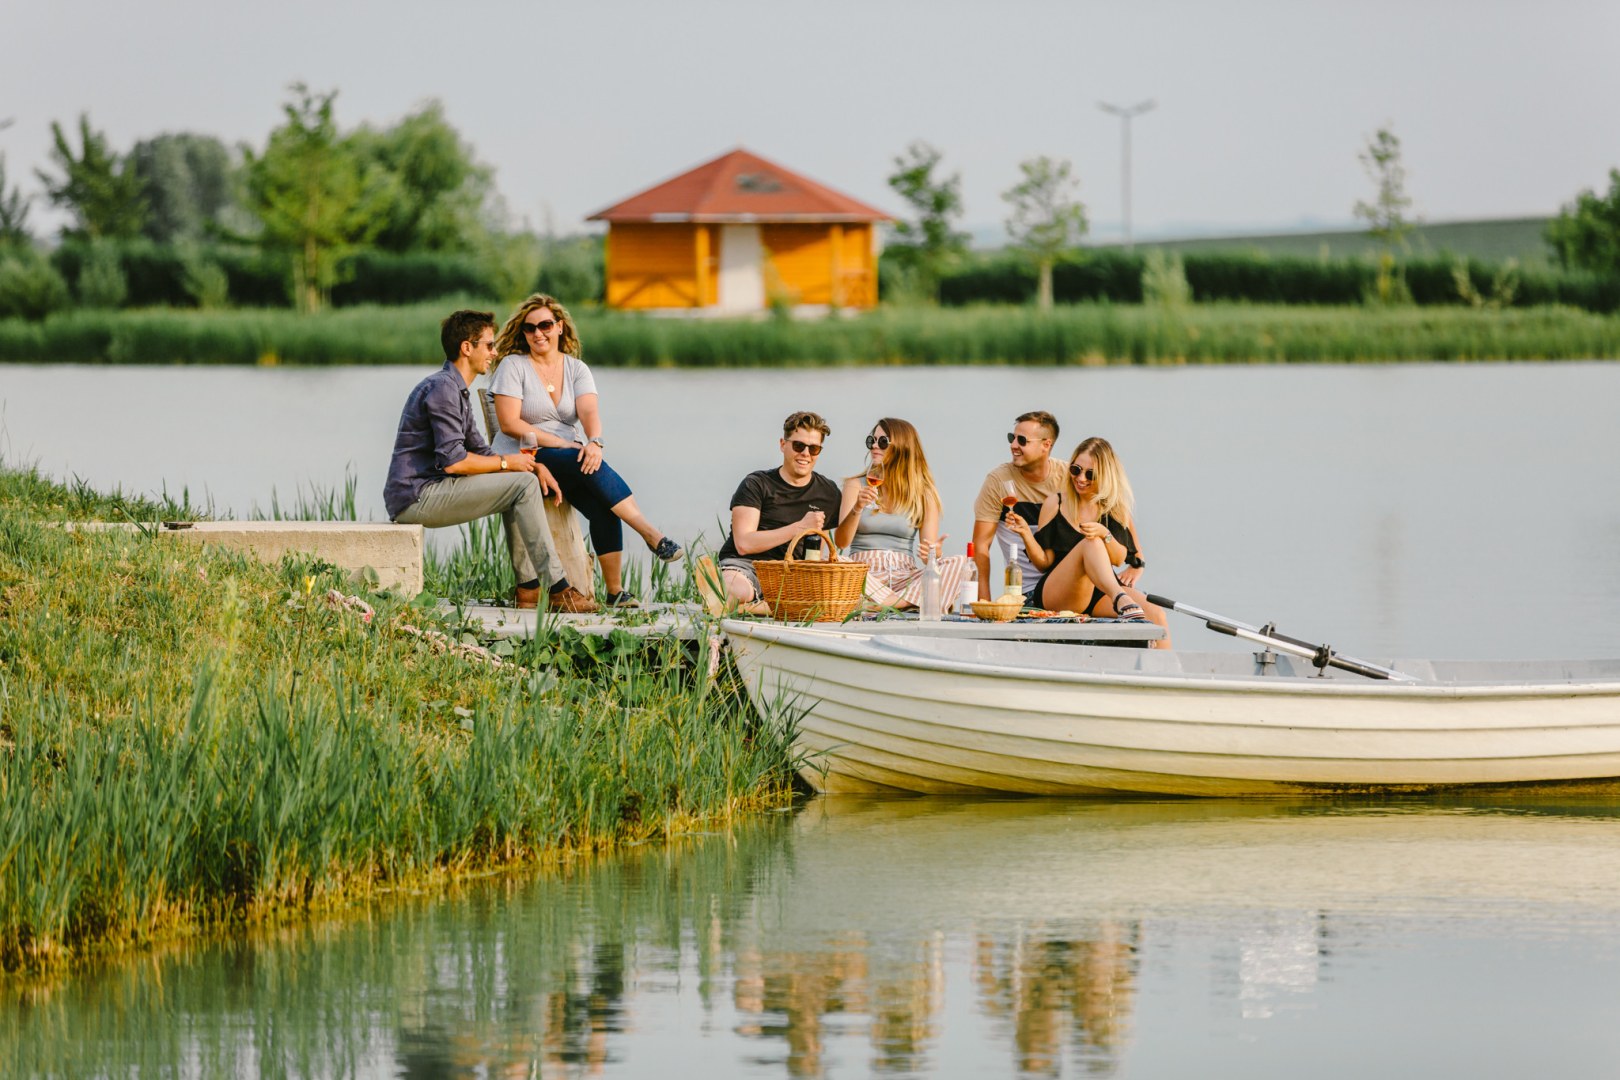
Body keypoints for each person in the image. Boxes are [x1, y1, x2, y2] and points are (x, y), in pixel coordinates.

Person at [385, 309, 598, 613]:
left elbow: (480, 451)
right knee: (520, 483)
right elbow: (454, 463)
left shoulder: (456, 389)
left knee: (519, 481)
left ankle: (528, 590)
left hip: (429, 491)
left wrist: (534, 465)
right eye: (488, 345)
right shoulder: (443, 389)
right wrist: (509, 465)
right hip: (416, 497)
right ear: (466, 348)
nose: (494, 353)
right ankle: (558, 589)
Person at [488, 293, 683, 606]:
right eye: (530, 328)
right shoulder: (514, 365)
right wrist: (565, 443)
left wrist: (595, 442)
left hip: (568, 458)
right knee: (580, 460)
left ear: (560, 327)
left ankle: (616, 592)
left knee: (604, 504)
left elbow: (589, 412)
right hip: (525, 454)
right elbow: (510, 423)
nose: (538, 333)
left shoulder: (576, 369)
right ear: (523, 333)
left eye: (546, 325)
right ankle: (650, 533)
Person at [1003, 436, 1171, 646]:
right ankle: (1120, 598)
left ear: (1105, 476)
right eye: (1076, 470)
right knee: (1089, 543)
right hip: (1060, 588)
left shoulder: (1113, 507)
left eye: (1090, 474)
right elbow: (1044, 562)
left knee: (1157, 615)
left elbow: (1119, 559)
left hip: (1102, 591)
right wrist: (1026, 534)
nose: (1081, 478)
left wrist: (1104, 533)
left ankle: (1169, 675)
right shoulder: (1056, 502)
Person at [704, 411, 842, 613]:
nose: (805, 453)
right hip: (748, 566)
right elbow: (744, 544)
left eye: (813, 448)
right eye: (798, 445)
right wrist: (799, 527)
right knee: (739, 590)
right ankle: (722, 591)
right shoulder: (756, 484)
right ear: (782, 444)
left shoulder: (828, 492)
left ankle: (748, 608)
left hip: (792, 573)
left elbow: (820, 545)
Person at [832, 417, 972, 610]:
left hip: (904, 576)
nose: (874, 446)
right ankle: (907, 603)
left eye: (882, 442)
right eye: (871, 441)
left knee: (960, 563)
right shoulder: (856, 485)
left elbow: (927, 555)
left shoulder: (924, 494)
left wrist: (934, 553)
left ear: (902, 447)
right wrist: (857, 507)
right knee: (838, 562)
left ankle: (889, 604)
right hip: (863, 574)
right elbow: (841, 543)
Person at [970, 411, 1067, 602]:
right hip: (1025, 593)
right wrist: (984, 603)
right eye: (1012, 438)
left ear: (1046, 445)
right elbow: (981, 545)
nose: (1013, 445)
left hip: (1066, 584)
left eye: (1022, 440)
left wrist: (1136, 564)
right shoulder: (998, 480)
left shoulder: (1070, 477)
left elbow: (1112, 503)